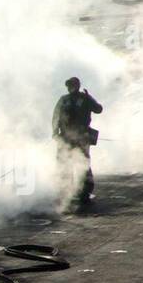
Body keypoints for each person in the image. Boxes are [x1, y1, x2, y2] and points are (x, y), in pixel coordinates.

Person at [52, 76, 103, 208]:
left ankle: (84, 193)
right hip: (66, 138)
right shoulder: (64, 100)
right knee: (64, 165)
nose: (70, 88)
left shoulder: (85, 99)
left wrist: (90, 98)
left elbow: (98, 109)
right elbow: (56, 116)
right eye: (69, 86)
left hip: (81, 137)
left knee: (84, 165)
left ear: (78, 86)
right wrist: (55, 132)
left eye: (72, 85)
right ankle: (64, 191)